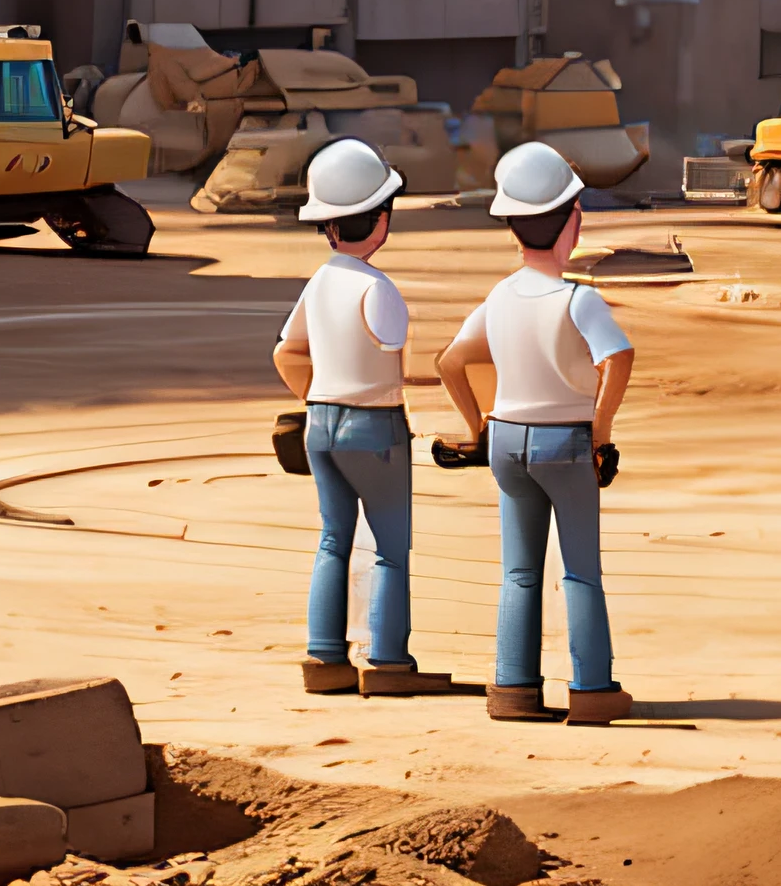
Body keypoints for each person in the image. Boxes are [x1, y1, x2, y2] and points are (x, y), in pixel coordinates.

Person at [437, 139, 636, 724]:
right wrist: (601, 433)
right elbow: (618, 360)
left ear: (513, 228)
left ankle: (513, 689)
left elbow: (449, 362)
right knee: (580, 570)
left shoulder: (499, 296)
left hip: (506, 442)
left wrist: (478, 429)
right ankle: (592, 689)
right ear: (572, 221)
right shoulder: (580, 299)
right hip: (565, 443)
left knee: (519, 572)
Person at [272, 134, 445, 695]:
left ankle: (325, 658)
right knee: (390, 547)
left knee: (333, 539)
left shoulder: (319, 282)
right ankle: (388, 661)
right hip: (376, 425)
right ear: (381, 219)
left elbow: (285, 352)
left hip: (322, 422)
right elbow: (394, 356)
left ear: (328, 225)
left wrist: (314, 397)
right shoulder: (380, 289)